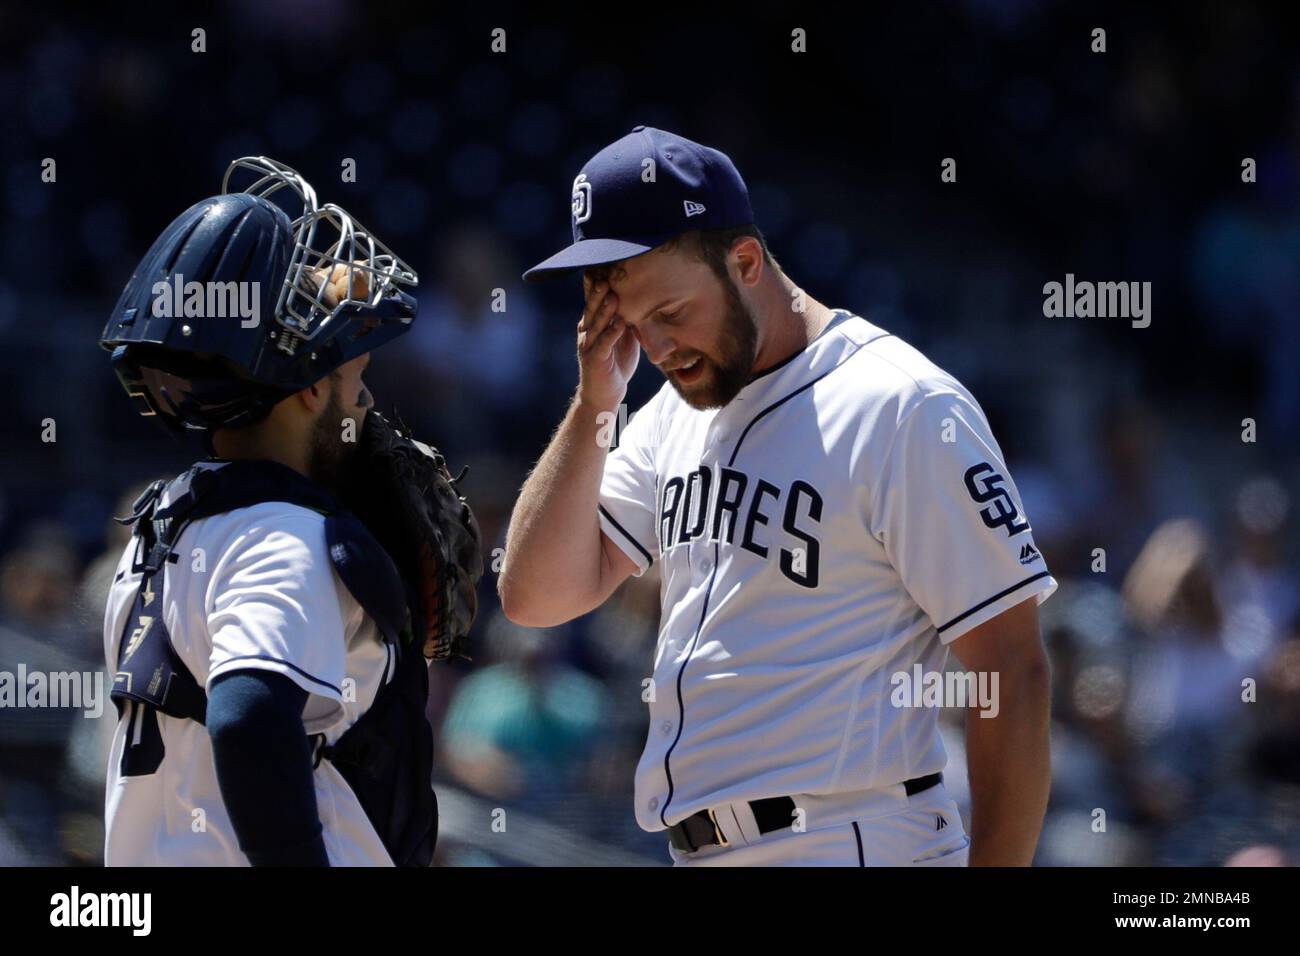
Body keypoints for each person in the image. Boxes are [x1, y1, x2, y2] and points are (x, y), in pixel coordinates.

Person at [500, 127, 1054, 866]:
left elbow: (1011, 673)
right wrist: (594, 398)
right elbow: (535, 596)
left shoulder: (901, 405)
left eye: (669, 313)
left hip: (850, 836)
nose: (657, 349)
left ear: (747, 261)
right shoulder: (669, 413)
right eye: (632, 323)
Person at [98, 157, 480, 866]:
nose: (365, 406)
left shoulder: (158, 528)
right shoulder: (286, 536)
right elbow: (248, 723)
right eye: (356, 378)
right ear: (309, 391)